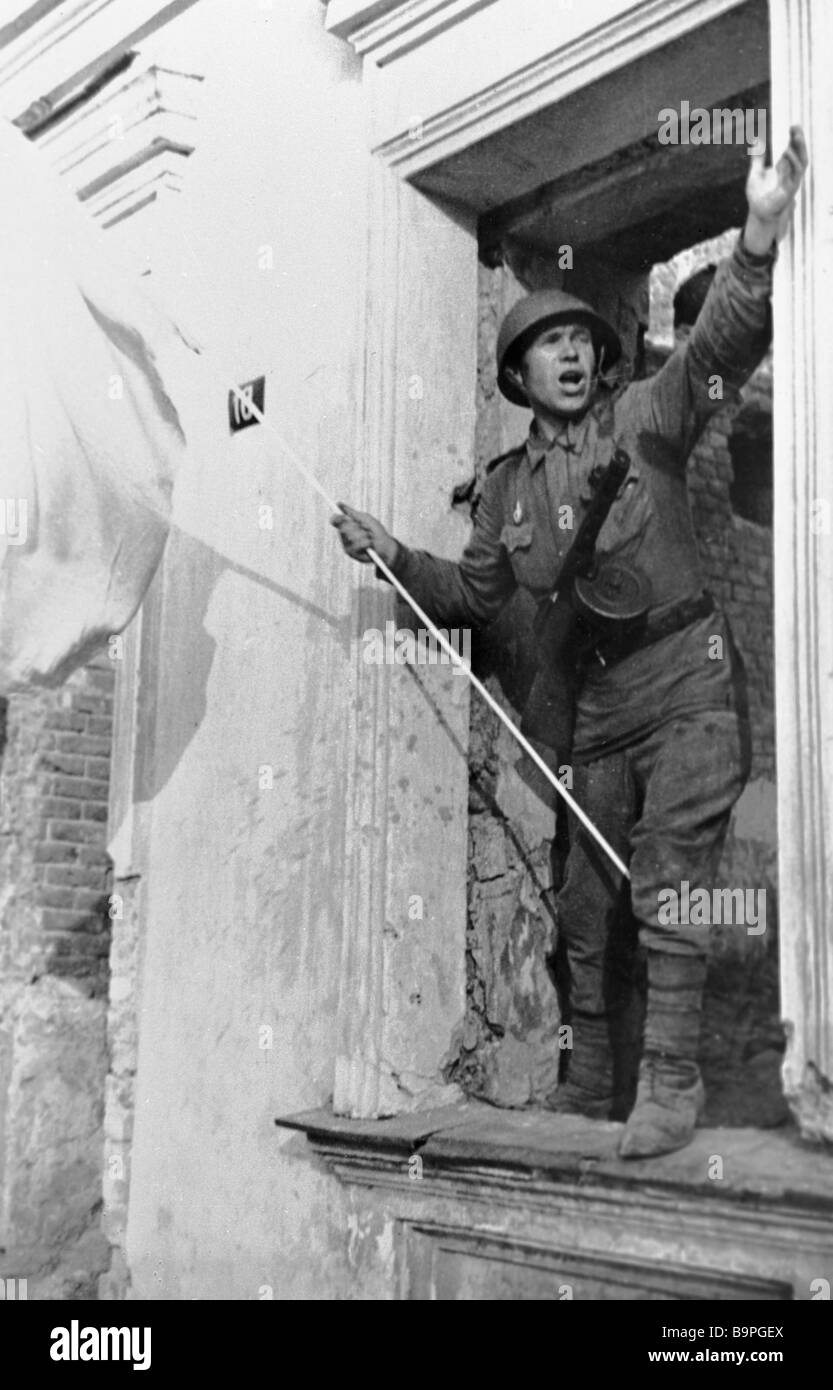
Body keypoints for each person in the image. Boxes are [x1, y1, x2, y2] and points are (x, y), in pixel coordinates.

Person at [332, 129, 808, 1158]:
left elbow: (719, 343)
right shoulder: (503, 489)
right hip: (596, 712)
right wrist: (390, 554)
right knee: (589, 898)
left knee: (671, 875)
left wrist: (758, 230)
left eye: (581, 340)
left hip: (687, 682)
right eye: (548, 344)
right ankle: (591, 1075)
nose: (571, 352)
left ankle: (669, 1084)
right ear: (516, 369)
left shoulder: (645, 416)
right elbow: (469, 592)